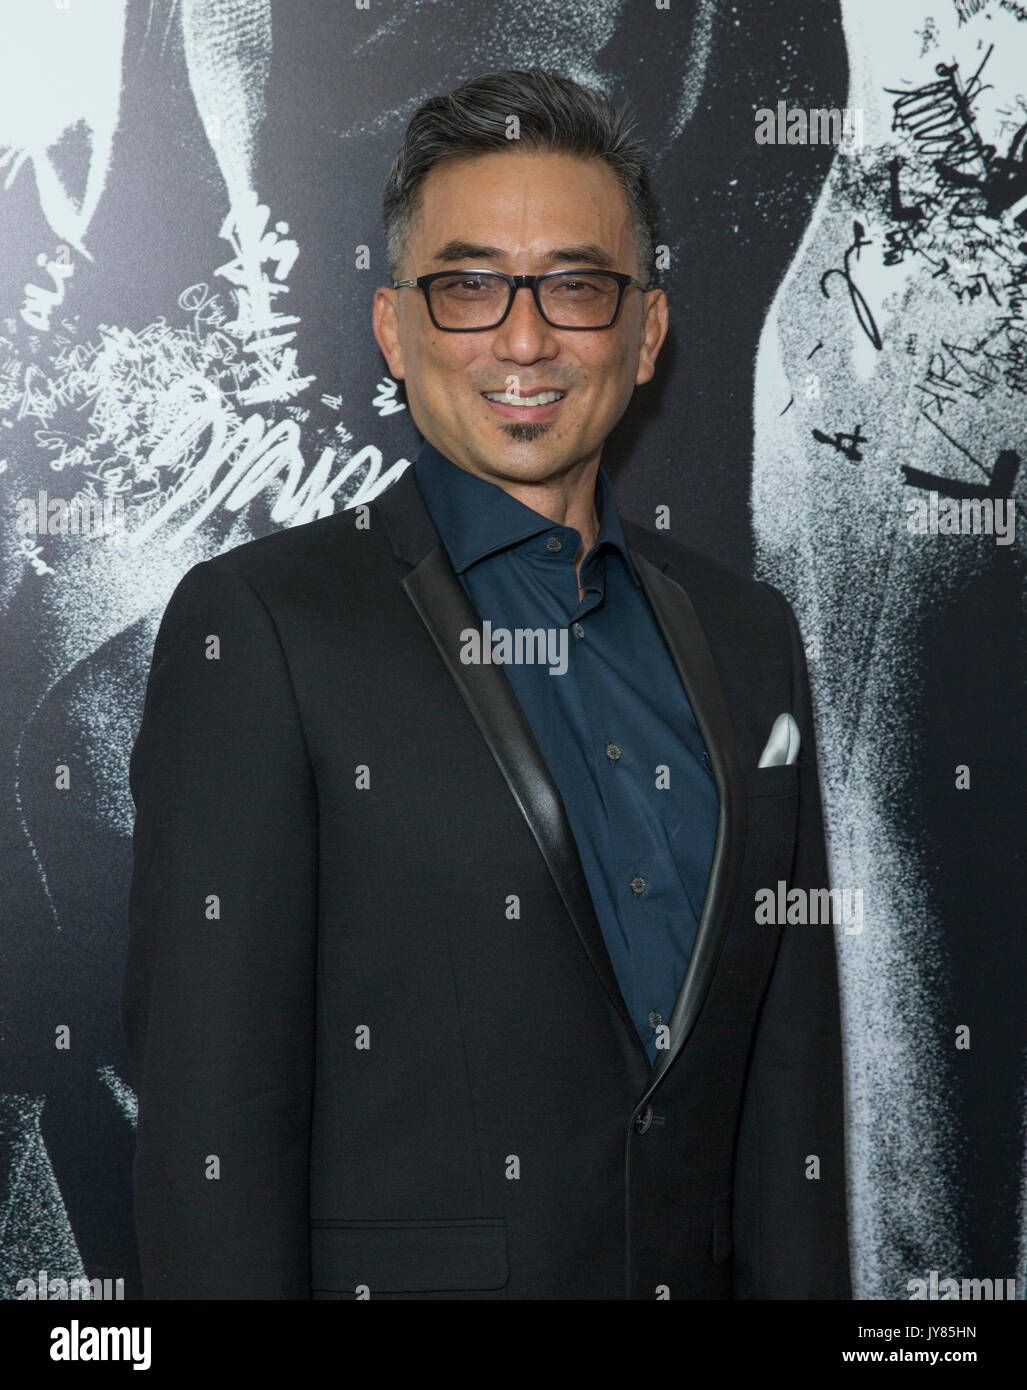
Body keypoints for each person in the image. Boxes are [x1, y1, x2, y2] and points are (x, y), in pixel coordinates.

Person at [122, 66, 851, 1300]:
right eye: (468, 288)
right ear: (395, 330)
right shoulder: (261, 628)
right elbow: (214, 1136)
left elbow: (785, 1107)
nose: (524, 338)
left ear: (647, 331)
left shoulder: (748, 635)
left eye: (576, 286)